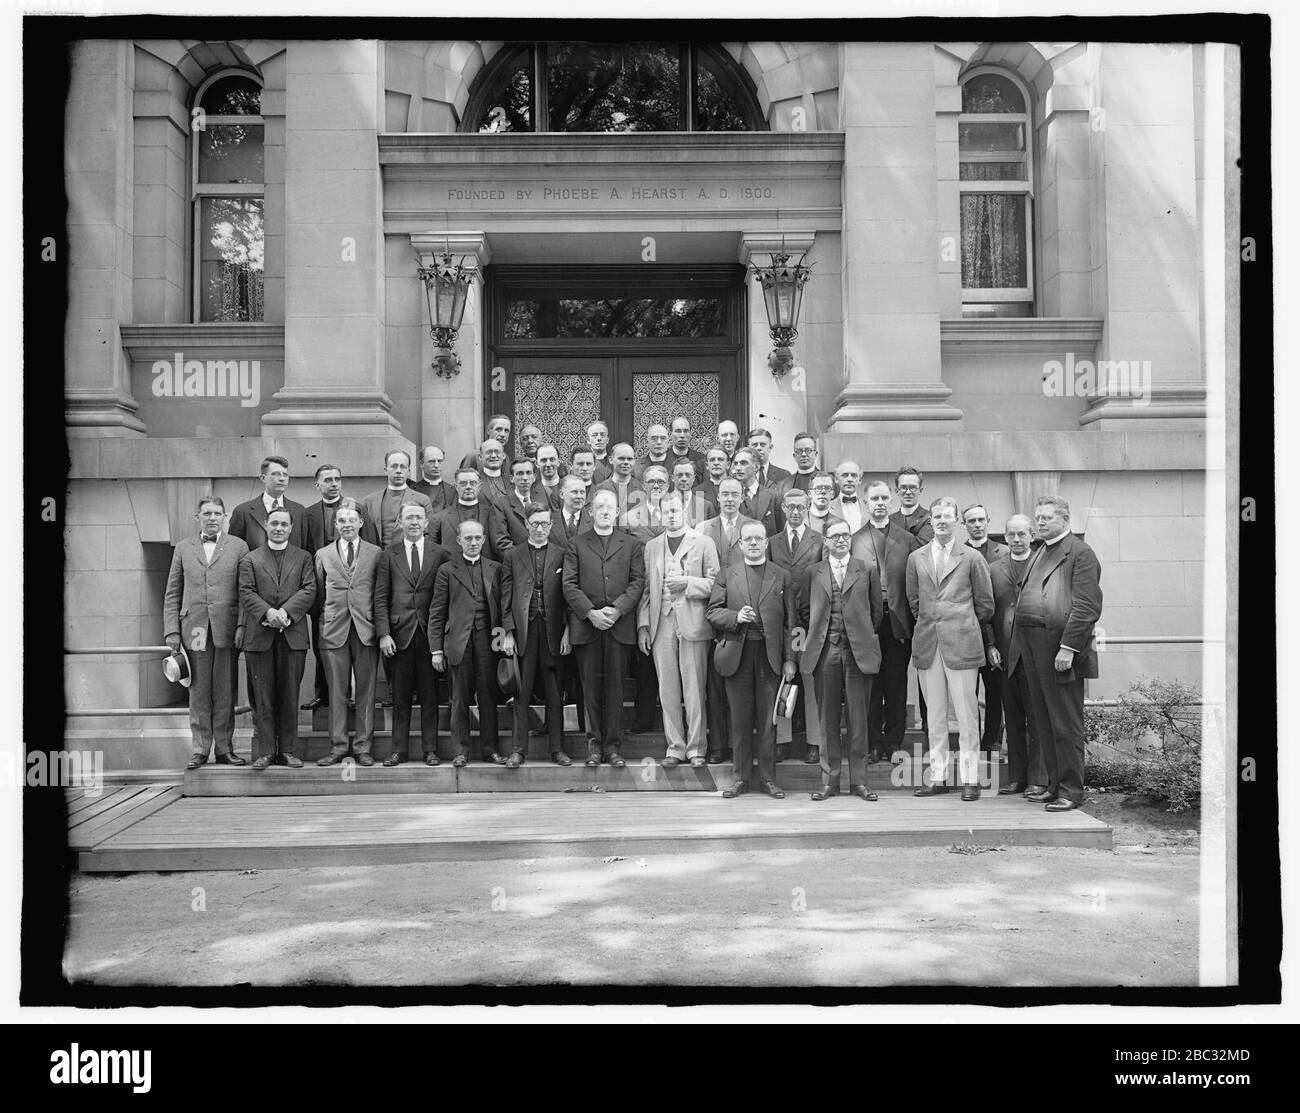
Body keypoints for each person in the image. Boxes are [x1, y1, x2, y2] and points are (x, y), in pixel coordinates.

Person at [1013, 495, 1103, 812]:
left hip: (1059, 650)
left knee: (1065, 723)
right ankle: (1054, 785)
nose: (1040, 522)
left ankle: (1071, 790)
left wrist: (1068, 647)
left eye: (1046, 518)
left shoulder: (1080, 553)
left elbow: (1086, 607)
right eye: (1037, 517)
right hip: (1033, 647)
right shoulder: (1041, 551)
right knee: (1043, 720)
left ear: (1064, 518)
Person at [907, 497, 995, 801]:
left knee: (968, 715)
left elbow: (985, 605)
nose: (941, 521)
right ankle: (939, 776)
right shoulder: (916, 557)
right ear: (930, 521)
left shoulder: (971, 557)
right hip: (929, 643)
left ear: (957, 520)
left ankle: (971, 778)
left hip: (962, 644)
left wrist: (959, 622)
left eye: (947, 516)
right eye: (936, 516)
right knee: (935, 714)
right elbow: (914, 602)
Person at [707, 522, 796, 799]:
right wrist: (735, 617)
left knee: (768, 721)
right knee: (740, 719)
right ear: (741, 544)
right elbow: (712, 612)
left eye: (759, 538)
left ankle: (768, 779)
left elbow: (793, 624)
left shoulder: (782, 576)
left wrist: (791, 659)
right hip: (737, 654)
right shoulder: (726, 574)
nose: (754, 543)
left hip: (769, 656)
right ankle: (740, 778)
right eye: (749, 539)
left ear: (766, 543)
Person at [800, 519, 883, 801]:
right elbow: (803, 611)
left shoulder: (867, 569)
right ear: (825, 540)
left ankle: (859, 782)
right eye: (835, 536)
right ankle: (829, 781)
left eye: (846, 535)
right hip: (826, 652)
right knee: (828, 720)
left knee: (858, 719)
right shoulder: (813, 572)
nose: (841, 540)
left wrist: (858, 635)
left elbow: (876, 612)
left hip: (858, 651)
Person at [164, 495, 249, 770]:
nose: (212, 518)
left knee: (225, 691)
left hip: (226, 628)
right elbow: (172, 592)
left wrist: (241, 625)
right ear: (197, 517)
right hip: (194, 629)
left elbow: (245, 591)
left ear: (225, 517)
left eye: (217, 514)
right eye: (207, 513)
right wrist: (172, 632)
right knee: (198, 692)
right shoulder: (183, 548)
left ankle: (225, 749)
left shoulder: (238, 546)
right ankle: (200, 749)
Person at [562, 489, 645, 768]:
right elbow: (569, 585)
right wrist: (590, 613)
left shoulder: (631, 544)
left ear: (617, 512)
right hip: (588, 627)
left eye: (610, 507)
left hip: (619, 626)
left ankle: (613, 747)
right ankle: (594, 746)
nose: (605, 511)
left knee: (616, 688)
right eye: (600, 507)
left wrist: (618, 609)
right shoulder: (577, 543)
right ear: (591, 511)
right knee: (590, 689)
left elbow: (637, 583)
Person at [637, 491, 720, 768]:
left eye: (676, 510)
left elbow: (716, 584)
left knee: (695, 687)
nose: (671, 515)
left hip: (693, 622)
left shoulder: (703, 542)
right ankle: (675, 746)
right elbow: (647, 590)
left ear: (685, 510)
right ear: (659, 513)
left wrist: (688, 583)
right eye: (666, 511)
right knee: (667, 689)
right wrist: (644, 625)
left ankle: (696, 748)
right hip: (662, 622)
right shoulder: (652, 546)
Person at [238, 507, 316, 770]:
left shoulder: (304, 557)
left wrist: (285, 613)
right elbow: (246, 591)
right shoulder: (251, 559)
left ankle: (288, 750)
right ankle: (266, 752)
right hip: (260, 635)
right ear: (266, 526)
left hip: (292, 635)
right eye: (274, 524)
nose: (279, 528)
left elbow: (309, 589)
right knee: (262, 697)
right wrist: (268, 612)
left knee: (289, 695)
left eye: (284, 524)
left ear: (291, 527)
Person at [851, 479, 923, 762]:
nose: (879, 503)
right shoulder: (855, 539)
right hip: (867, 622)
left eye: (884, 498)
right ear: (866, 503)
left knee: (895, 684)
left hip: (897, 622)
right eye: (874, 499)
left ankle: (894, 742)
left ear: (890, 501)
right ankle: (872, 743)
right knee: (871, 685)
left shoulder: (907, 539)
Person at [375, 502, 450, 767]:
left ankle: (430, 749)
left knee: (430, 695)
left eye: (419, 517)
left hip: (430, 633)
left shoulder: (440, 553)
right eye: (409, 518)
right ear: (400, 522)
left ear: (427, 523)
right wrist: (384, 633)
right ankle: (398, 749)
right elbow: (381, 597)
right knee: (401, 696)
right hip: (399, 634)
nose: (415, 522)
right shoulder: (389, 554)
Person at [429, 519, 508, 767]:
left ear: (484, 540)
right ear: (459, 541)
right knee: (459, 699)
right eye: (468, 538)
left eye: (477, 538)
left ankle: (490, 749)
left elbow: (504, 608)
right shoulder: (447, 570)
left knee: (488, 697)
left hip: (488, 641)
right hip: (458, 641)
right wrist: (436, 649)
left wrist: (504, 640)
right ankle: (460, 751)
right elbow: (438, 611)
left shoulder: (495, 568)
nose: (473, 543)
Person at [500, 503, 572, 767]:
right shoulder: (512, 555)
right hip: (524, 631)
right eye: (535, 524)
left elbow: (568, 596)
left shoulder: (563, 554)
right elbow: (505, 597)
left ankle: (557, 748)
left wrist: (568, 630)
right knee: (522, 690)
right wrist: (507, 632)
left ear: (551, 526)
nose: (540, 529)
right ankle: (518, 750)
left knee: (555, 691)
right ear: (527, 525)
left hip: (553, 630)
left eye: (544, 524)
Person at [313, 502, 383, 766]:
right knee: (336, 692)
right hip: (334, 629)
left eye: (351, 520)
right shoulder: (322, 554)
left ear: (361, 523)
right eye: (341, 520)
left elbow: (380, 591)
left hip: (366, 628)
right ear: (335, 525)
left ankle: (363, 747)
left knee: (366, 690)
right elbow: (318, 595)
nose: (346, 525)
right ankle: (339, 746)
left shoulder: (376, 553)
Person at [302, 464, 370, 710]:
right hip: (324, 588)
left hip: (354, 593)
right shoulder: (307, 514)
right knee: (323, 644)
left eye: (337, 479)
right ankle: (323, 692)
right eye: (328, 480)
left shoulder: (354, 509)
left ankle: (349, 697)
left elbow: (369, 548)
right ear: (317, 484)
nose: (334, 484)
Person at [697, 478, 755, 763]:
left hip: (745, 612)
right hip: (712, 613)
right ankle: (718, 745)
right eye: (725, 494)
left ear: (742, 496)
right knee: (715, 686)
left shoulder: (752, 526)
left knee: (742, 686)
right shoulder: (703, 528)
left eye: (735, 494)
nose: (730, 499)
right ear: (717, 497)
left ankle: (740, 745)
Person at [768, 488, 825, 765]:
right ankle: (783, 741)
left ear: (808, 506)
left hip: (809, 623)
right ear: (783, 508)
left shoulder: (819, 541)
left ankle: (814, 742)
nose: (795, 511)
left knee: (811, 680)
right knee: (784, 678)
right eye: (790, 507)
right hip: (782, 621)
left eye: (800, 507)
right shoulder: (772, 542)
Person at [986, 514, 1040, 795]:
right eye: (1011, 535)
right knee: (1013, 718)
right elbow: (986, 610)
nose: (1016, 540)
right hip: (1005, 655)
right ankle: (1017, 777)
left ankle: (1037, 778)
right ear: (1005, 537)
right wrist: (991, 644)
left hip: (1034, 654)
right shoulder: (994, 569)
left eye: (1022, 534)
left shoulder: (1043, 564)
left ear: (1031, 535)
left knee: (1037, 719)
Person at [963, 503, 1010, 755]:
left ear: (988, 520)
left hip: (995, 635)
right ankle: (970, 743)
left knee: (995, 691)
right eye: (972, 521)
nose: (977, 524)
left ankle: (992, 740)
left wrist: (993, 641)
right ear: (965, 524)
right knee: (968, 693)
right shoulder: (957, 553)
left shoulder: (1002, 553)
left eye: (981, 519)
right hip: (968, 634)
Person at [228, 455, 308, 552]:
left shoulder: (299, 511)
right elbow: (234, 550)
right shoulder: (243, 511)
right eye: (276, 474)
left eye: (285, 475)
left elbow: (305, 549)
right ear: (263, 478)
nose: (282, 478)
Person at [358, 450, 434, 550]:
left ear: (408, 471)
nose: (398, 471)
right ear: (385, 470)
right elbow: (362, 535)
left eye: (403, 467)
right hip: (376, 558)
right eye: (394, 466)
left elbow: (429, 535)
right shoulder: (369, 501)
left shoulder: (422, 500)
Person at [430, 467, 511, 560]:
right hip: (452, 572)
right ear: (456, 486)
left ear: (480, 486)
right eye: (463, 483)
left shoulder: (493, 514)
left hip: (488, 571)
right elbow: (433, 553)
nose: (468, 487)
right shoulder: (440, 518)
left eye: (473, 483)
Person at [731, 448, 782, 535]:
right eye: (736, 464)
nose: (738, 468)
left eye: (743, 463)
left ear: (756, 467)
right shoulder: (730, 497)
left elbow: (781, 533)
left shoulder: (773, 497)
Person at [501, 457, 540, 545]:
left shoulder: (541, 500)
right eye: (520, 473)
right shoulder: (501, 504)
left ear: (534, 477)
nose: (525, 478)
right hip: (515, 557)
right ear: (511, 478)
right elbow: (501, 542)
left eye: (528, 473)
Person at [890, 466, 934, 542]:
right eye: (903, 487)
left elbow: (919, 545)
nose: (908, 492)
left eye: (912, 487)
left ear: (920, 490)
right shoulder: (889, 520)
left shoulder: (930, 518)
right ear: (897, 491)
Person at [408, 445, 457, 512]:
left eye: (439, 461)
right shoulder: (412, 491)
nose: (436, 465)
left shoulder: (453, 491)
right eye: (431, 461)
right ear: (421, 464)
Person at [670, 460, 716, 527]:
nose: (684, 479)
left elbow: (712, 533)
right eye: (679, 475)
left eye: (688, 475)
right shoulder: (662, 504)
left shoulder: (706, 506)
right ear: (672, 478)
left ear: (693, 478)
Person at [552, 474, 591, 547]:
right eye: (575, 492)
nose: (579, 496)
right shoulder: (549, 520)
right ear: (561, 494)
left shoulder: (593, 521)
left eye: (582, 492)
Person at [829, 460, 865, 533]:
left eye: (854, 475)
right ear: (836, 479)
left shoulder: (868, 507)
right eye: (845, 475)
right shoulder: (828, 508)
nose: (849, 479)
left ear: (860, 480)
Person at [667, 417, 706, 482]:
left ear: (690, 433)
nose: (682, 435)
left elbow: (703, 487)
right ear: (670, 434)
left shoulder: (701, 459)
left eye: (686, 431)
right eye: (678, 431)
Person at [473, 439, 511, 505]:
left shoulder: (512, 482)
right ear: (480, 457)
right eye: (488, 452)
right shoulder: (473, 483)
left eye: (497, 452)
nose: (493, 456)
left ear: (503, 456)